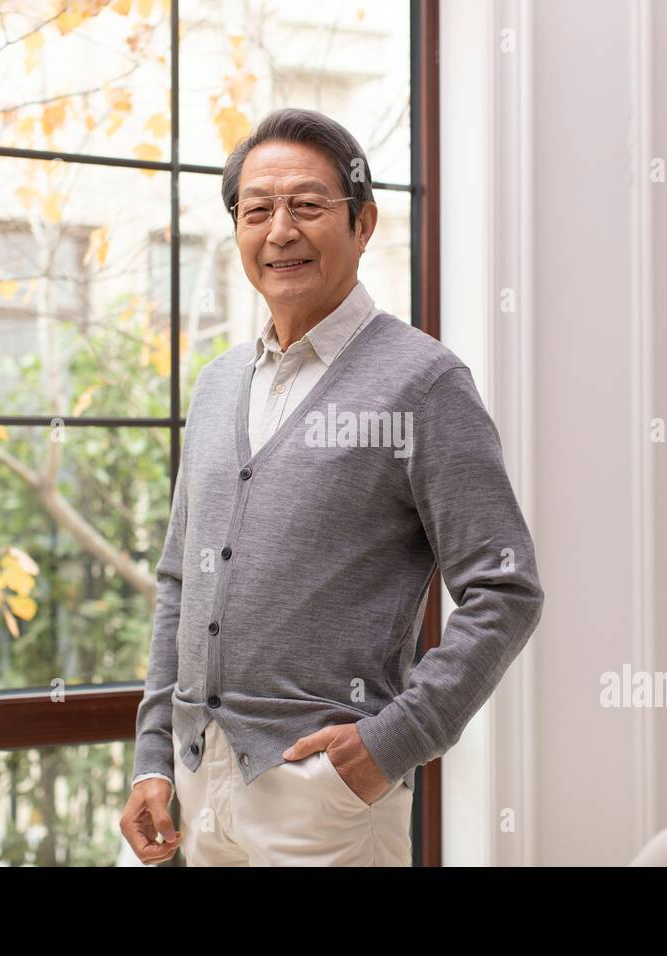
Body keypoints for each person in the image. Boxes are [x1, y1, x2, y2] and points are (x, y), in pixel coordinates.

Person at [119, 107, 543, 866]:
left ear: (363, 223)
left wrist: (392, 743)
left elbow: (506, 590)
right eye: (257, 210)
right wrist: (154, 756)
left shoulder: (423, 382)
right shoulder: (217, 387)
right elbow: (181, 583)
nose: (280, 230)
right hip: (198, 784)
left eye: (307, 205)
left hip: (323, 795)